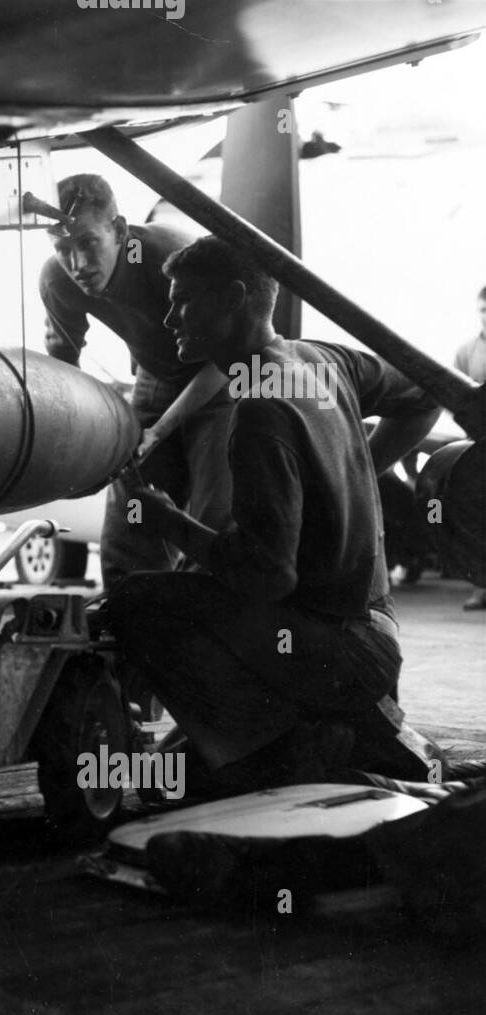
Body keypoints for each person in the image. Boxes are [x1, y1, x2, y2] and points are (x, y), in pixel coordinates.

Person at [107, 236, 441, 792]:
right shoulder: (321, 359)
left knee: (134, 599)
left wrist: (168, 521)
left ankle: (268, 753)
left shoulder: (260, 413)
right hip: (374, 628)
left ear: (235, 298)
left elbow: (269, 575)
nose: (169, 317)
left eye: (184, 300)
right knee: (193, 583)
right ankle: (275, 734)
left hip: (340, 655)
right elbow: (424, 394)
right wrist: (352, 468)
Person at [39, 174, 234, 592]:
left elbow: (226, 359)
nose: (77, 265)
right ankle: (132, 621)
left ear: (121, 231)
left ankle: (210, 627)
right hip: (155, 371)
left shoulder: (173, 259)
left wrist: (159, 431)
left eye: (89, 243)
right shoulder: (57, 280)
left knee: (215, 516)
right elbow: (64, 367)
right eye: (63, 248)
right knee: (133, 514)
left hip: (224, 377)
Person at [452, 285, 485, 609]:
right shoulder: (466, 352)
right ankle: (480, 585)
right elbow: (455, 400)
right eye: (484, 310)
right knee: (477, 516)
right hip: (478, 447)